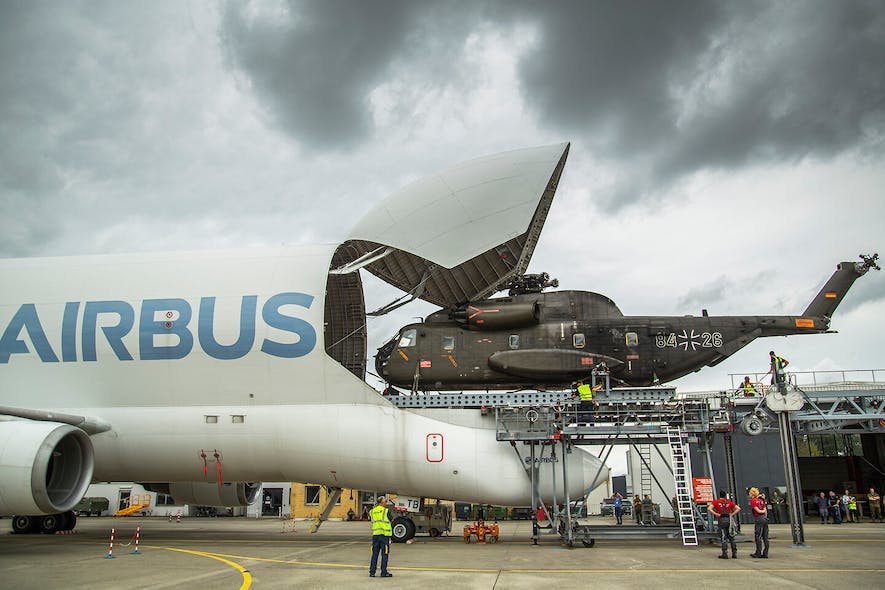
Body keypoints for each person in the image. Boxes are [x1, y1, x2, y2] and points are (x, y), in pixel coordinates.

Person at [709, 491, 740, 559]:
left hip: (721, 519)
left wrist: (716, 514)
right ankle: (734, 553)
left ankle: (725, 553)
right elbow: (738, 508)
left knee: (723, 537)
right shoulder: (729, 502)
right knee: (731, 537)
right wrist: (732, 514)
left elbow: (709, 508)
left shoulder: (716, 502)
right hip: (728, 519)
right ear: (725, 496)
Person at [368, 496, 393, 578]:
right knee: (384, 554)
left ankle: (372, 572)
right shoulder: (386, 511)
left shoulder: (372, 511)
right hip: (384, 536)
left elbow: (372, 520)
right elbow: (391, 520)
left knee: (374, 554)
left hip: (375, 535)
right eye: (385, 501)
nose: (386, 503)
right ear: (381, 503)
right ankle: (383, 572)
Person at [748, 487, 769, 558]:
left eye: (750, 494)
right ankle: (765, 553)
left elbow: (757, 510)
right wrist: (765, 516)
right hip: (764, 518)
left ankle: (758, 552)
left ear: (752, 494)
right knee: (765, 536)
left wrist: (761, 512)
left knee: (758, 536)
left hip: (759, 518)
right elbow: (765, 510)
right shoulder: (761, 501)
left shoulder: (753, 501)